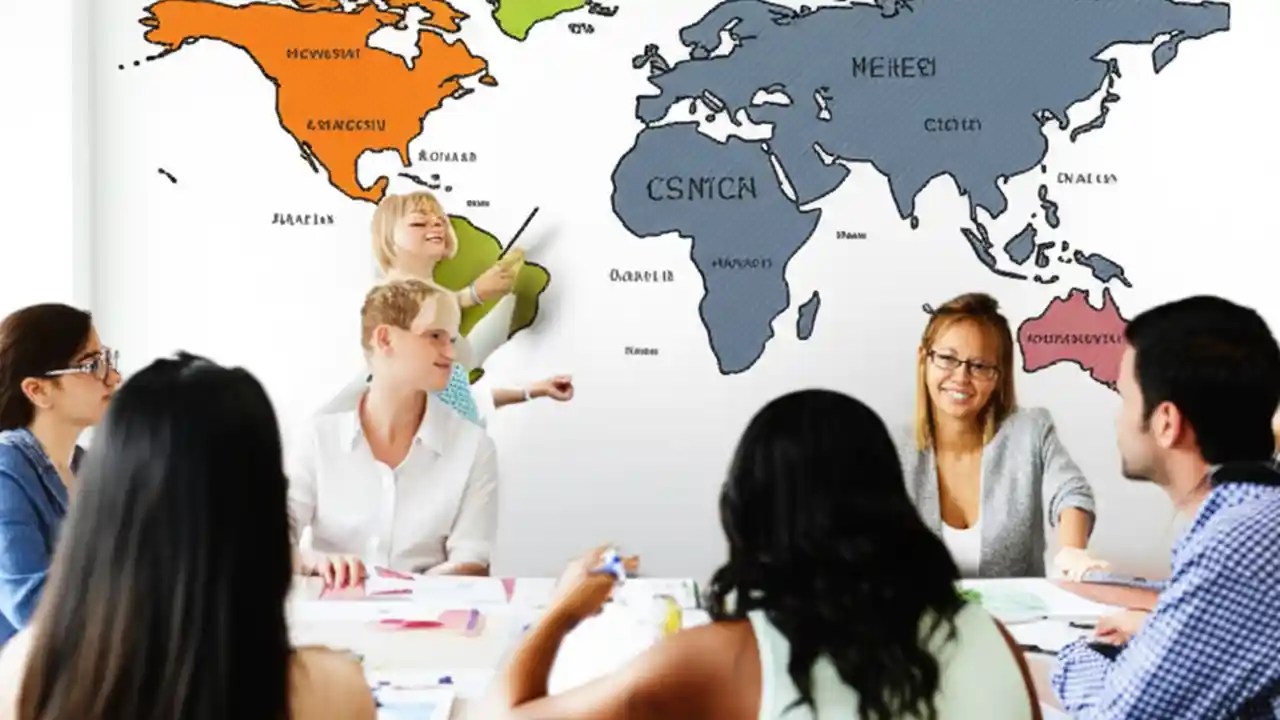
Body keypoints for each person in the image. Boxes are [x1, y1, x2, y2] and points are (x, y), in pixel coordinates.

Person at [481, 390, 1040, 719]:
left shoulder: (721, 659)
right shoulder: (995, 638)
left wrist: (563, 610)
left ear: (749, 509)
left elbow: (511, 717)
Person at [0, 353, 375, 719]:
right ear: (265, 511)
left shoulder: (24, 676)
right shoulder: (330, 693)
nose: (109, 376)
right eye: (92, 364)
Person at [1051, 295, 1280, 718]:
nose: (1118, 421)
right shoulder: (1255, 513)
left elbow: (1117, 717)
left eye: (1124, 400)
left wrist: (1081, 653)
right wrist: (1156, 624)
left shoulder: (1240, 539)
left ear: (1166, 423)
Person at [290, 279, 497, 585]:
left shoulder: (473, 446)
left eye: (452, 339)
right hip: (331, 622)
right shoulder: (318, 437)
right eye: (435, 336)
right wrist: (316, 562)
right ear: (385, 339)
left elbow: (472, 562)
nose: (451, 353)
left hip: (427, 624)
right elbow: (272, 540)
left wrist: (405, 593)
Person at [896, 292, 1104, 579]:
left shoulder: (1030, 430)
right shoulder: (891, 448)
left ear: (999, 375)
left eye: (979, 366)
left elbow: (1072, 492)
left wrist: (1072, 553)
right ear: (924, 359)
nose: (961, 377)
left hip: (1017, 622)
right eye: (947, 359)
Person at [322, 191, 574, 425]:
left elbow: (461, 399)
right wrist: (475, 293)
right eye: (419, 223)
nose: (435, 226)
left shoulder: (439, 355)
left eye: (439, 221)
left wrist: (534, 391)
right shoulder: (390, 306)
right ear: (389, 238)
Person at [0, 303, 120, 644]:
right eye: (91, 364)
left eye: (108, 360)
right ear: (37, 390)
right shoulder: (6, 468)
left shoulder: (93, 470)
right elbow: (30, 605)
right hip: (26, 686)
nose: (113, 377)